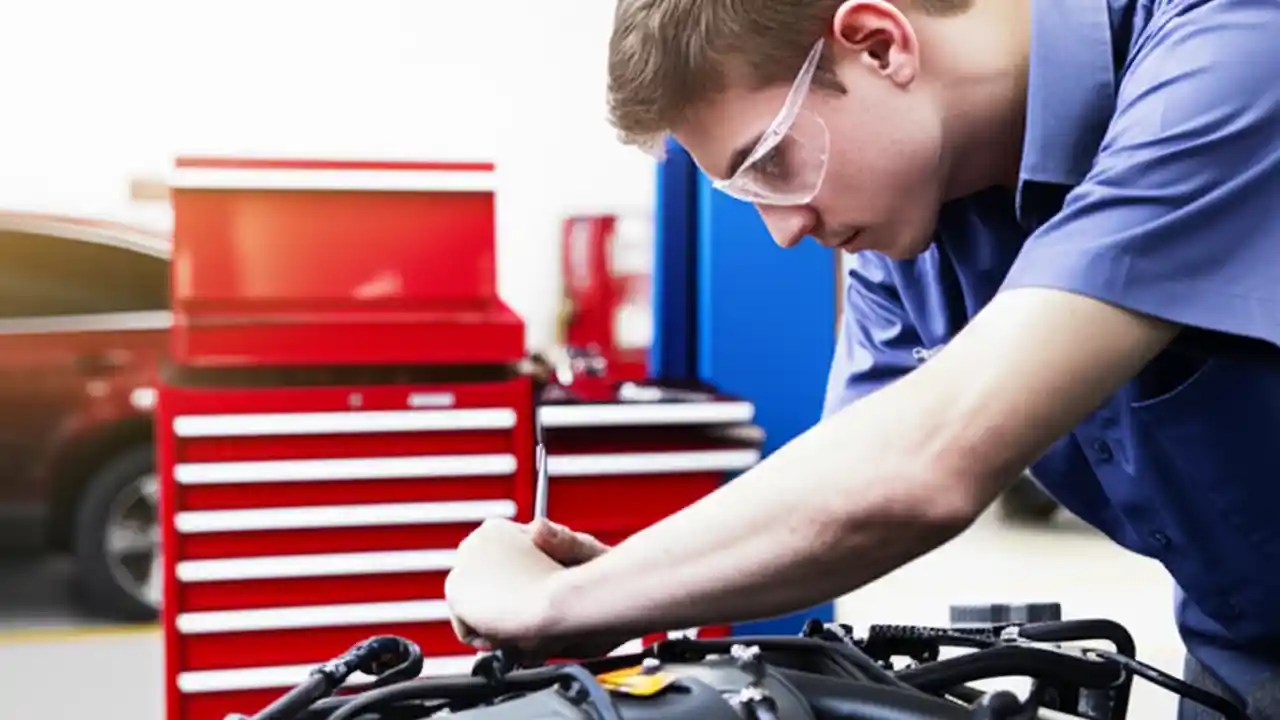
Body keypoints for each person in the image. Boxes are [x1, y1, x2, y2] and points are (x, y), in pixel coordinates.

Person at [443, 0, 1280, 716]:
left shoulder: (1236, 56)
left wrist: (557, 603)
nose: (784, 229)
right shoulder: (910, 234)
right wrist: (619, 583)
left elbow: (923, 469)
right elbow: (840, 492)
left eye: (771, 163)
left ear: (881, 42)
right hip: (1236, 657)